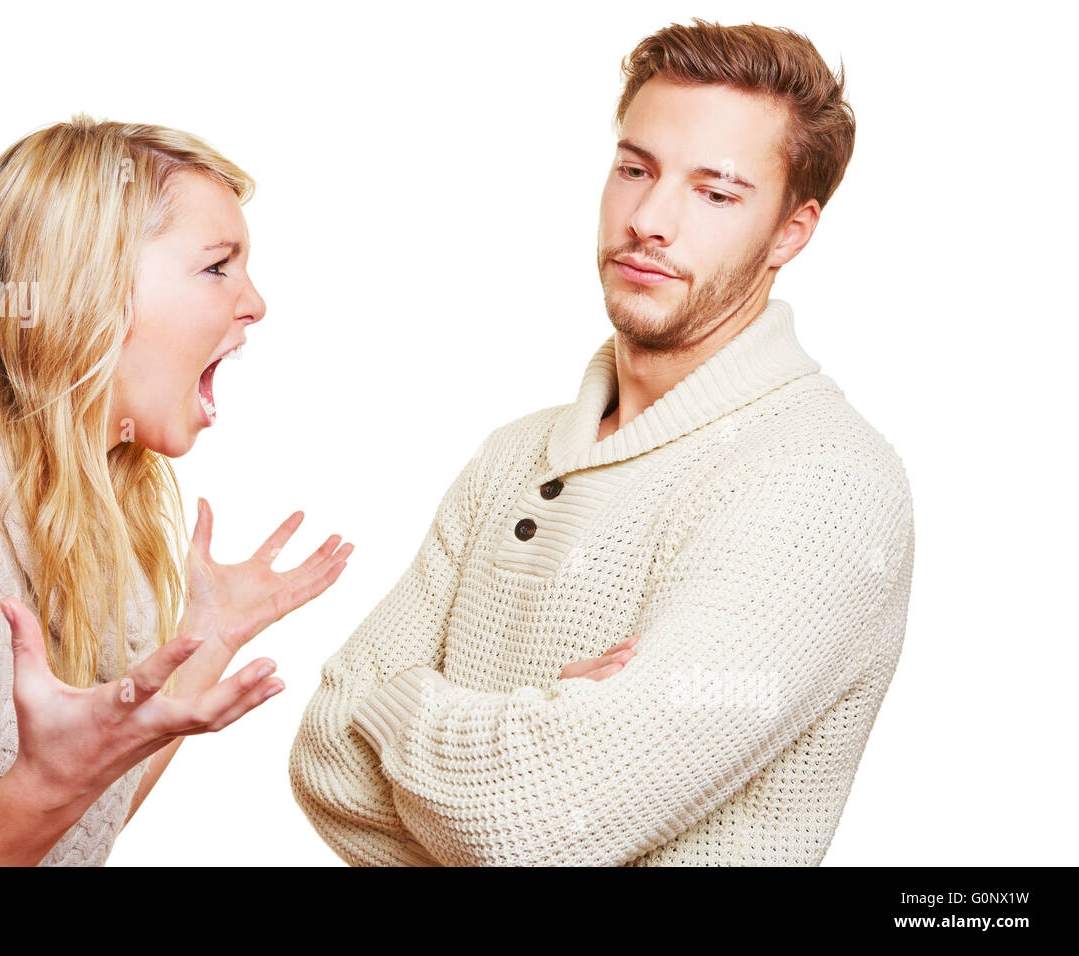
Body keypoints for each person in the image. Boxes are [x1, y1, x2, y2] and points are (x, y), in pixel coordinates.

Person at [288, 18, 916, 866]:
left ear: (791, 232)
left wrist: (393, 703)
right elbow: (322, 756)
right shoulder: (513, 455)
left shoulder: (821, 478)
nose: (650, 219)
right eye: (635, 170)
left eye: (716, 193)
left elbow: (543, 818)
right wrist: (520, 739)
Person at [0, 116, 352, 866]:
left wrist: (206, 642)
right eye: (217, 267)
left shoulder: (90, 515)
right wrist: (44, 788)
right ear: (85, 293)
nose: (254, 304)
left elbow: (69, 834)